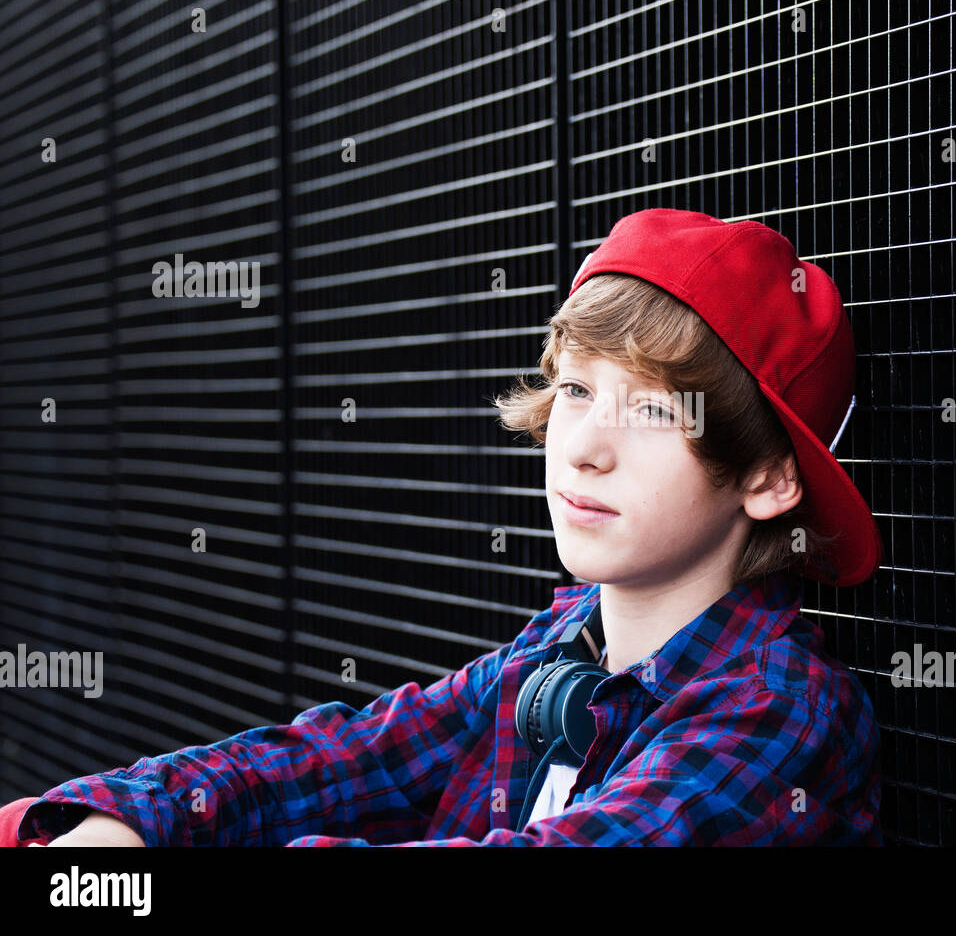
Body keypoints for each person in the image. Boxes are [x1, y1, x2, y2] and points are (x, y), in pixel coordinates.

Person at [7, 207, 886, 846]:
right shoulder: (555, 653)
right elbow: (342, 758)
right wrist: (116, 825)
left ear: (769, 479)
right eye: (577, 390)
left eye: (655, 412)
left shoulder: (781, 711)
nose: (582, 448)